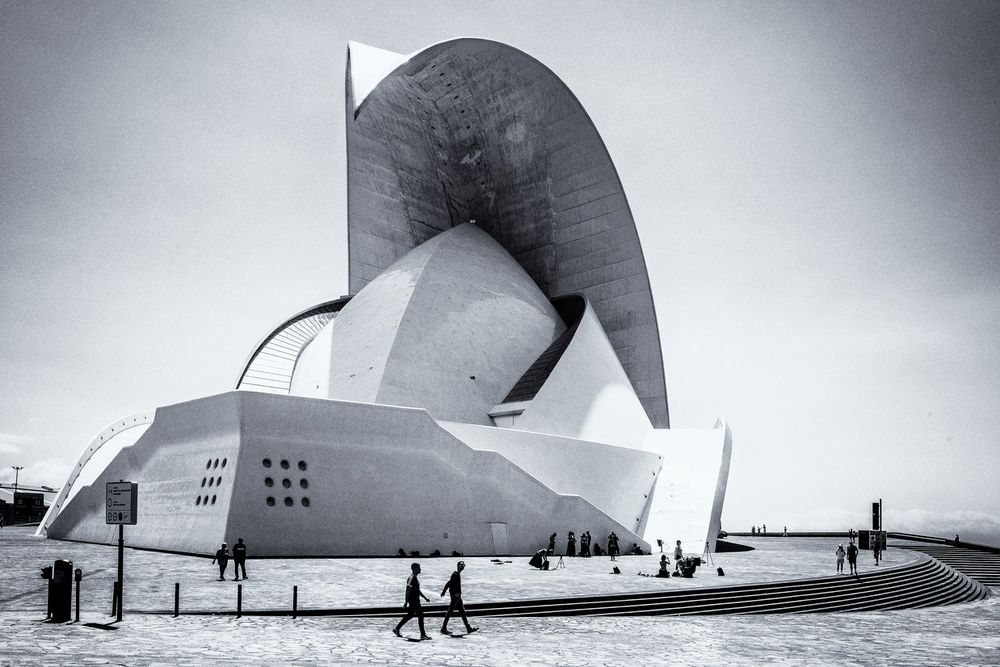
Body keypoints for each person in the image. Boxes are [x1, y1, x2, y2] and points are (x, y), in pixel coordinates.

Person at [393, 563, 431, 640]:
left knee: (410, 615)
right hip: (413, 601)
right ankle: (423, 634)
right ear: (414, 569)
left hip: (416, 600)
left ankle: (397, 629)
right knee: (420, 615)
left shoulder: (415, 578)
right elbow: (407, 589)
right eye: (419, 568)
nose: (420, 569)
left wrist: (425, 598)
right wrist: (406, 602)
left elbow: (417, 590)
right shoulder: (411, 578)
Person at [440, 561, 478, 635]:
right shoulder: (455, 574)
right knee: (450, 612)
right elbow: (449, 583)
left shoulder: (457, 574)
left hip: (458, 597)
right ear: (457, 565)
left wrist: (444, 591)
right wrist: (451, 594)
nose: (463, 566)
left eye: (464, 565)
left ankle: (468, 628)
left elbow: (449, 583)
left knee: (462, 612)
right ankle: (443, 628)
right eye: (461, 564)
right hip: (455, 597)